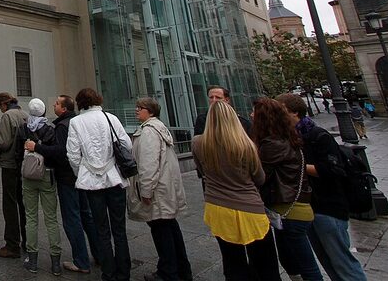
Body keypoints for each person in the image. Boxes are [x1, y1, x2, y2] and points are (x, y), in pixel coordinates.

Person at [276, 93, 367, 281]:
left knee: (342, 261)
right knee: (326, 259)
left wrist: (296, 164)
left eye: (281, 111)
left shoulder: (317, 135)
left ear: (294, 112)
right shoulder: (292, 137)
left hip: (329, 207)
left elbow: (332, 170)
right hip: (309, 206)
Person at [192, 101, 279, 281]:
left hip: (217, 207)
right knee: (264, 262)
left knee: (231, 259)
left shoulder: (198, 143)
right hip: (250, 208)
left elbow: (201, 171)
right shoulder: (246, 145)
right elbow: (260, 178)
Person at [251, 97, 322, 281]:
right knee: (298, 262)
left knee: (307, 266)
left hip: (289, 211)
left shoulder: (272, 145)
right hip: (296, 208)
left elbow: (260, 177)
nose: (251, 116)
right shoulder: (289, 138)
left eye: (255, 114)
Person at [67, 88, 132, 281]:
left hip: (92, 183)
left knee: (101, 228)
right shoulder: (110, 118)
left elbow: (72, 154)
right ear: (97, 100)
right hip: (114, 178)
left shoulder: (76, 122)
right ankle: (124, 272)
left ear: (80, 102)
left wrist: (83, 173)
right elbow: (126, 144)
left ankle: (108, 272)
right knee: (119, 229)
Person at [126, 97, 192, 281]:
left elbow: (148, 164)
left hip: (157, 191)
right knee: (170, 227)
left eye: (141, 108)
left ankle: (168, 272)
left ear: (151, 111)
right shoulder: (158, 128)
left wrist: (146, 190)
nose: (137, 110)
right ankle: (181, 269)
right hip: (164, 188)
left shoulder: (148, 132)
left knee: (161, 231)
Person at [35, 95, 99, 274]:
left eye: (56, 103)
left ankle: (81, 261)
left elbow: (61, 152)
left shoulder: (63, 126)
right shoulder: (78, 121)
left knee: (72, 219)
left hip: (68, 178)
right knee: (87, 216)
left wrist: (37, 147)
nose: (53, 105)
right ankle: (100, 255)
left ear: (63, 109)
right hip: (83, 177)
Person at [21, 98, 62, 275]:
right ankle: (55, 262)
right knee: (51, 218)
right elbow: (55, 153)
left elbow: (18, 151)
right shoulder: (50, 130)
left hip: (29, 175)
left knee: (30, 217)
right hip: (46, 174)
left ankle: (33, 259)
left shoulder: (24, 128)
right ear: (44, 112)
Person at [0, 91, 28, 258]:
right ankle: (27, 241)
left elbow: (4, 142)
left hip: (10, 164)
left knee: (10, 203)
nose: (0, 110)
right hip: (24, 165)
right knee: (24, 203)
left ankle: (12, 244)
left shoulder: (7, 116)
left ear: (4, 104)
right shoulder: (24, 114)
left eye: (0, 106)